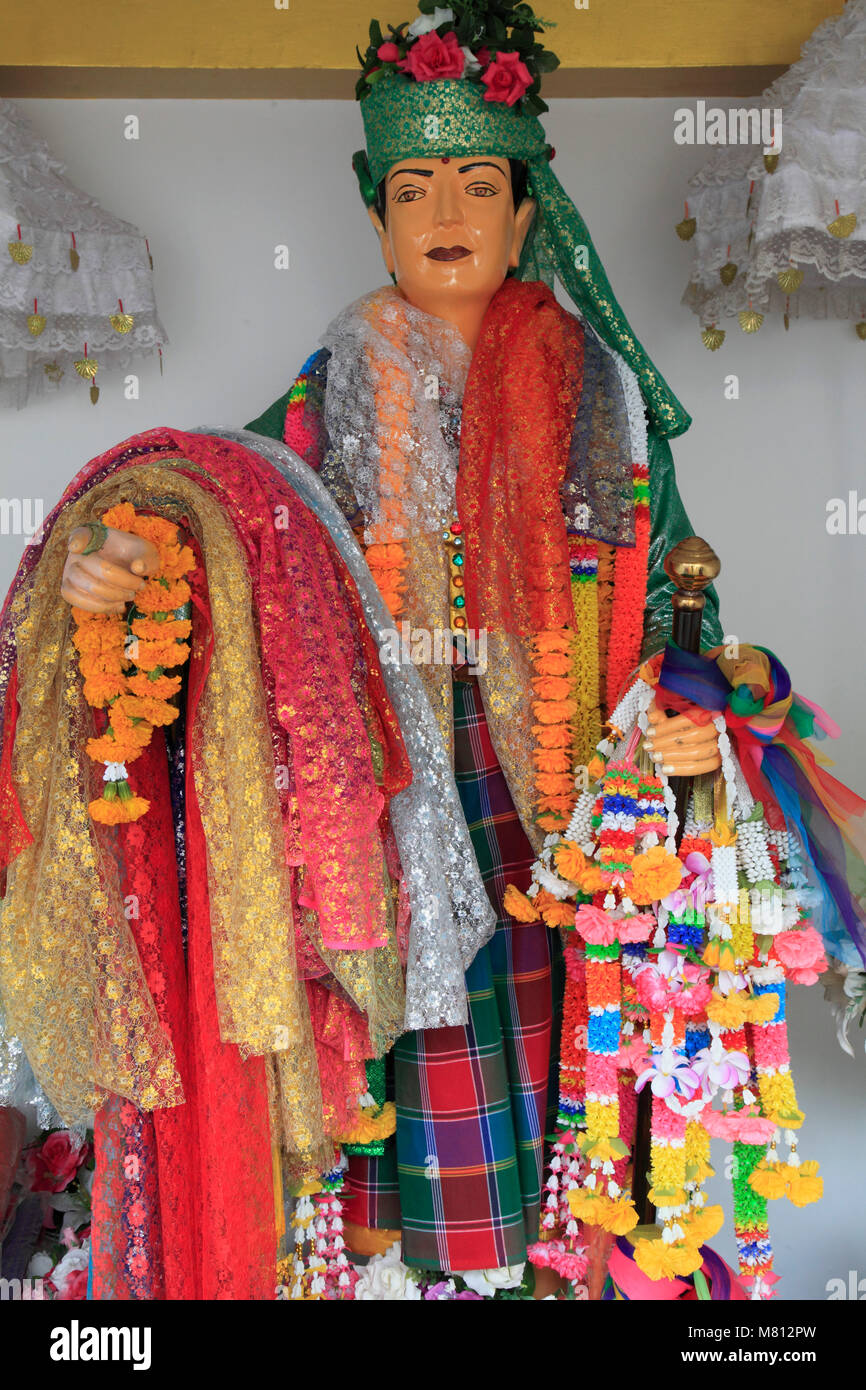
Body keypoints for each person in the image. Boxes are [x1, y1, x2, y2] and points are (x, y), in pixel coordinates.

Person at [53, 0, 726, 1286]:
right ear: (376, 215)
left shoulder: (602, 395)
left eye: (479, 181)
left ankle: (558, 1258)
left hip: (570, 781)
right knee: (404, 1038)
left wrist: (687, 703)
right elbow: (222, 499)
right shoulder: (333, 384)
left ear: (528, 210)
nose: (445, 211)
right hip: (387, 774)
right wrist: (129, 553)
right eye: (412, 188)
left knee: (558, 1036)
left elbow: (675, 592)